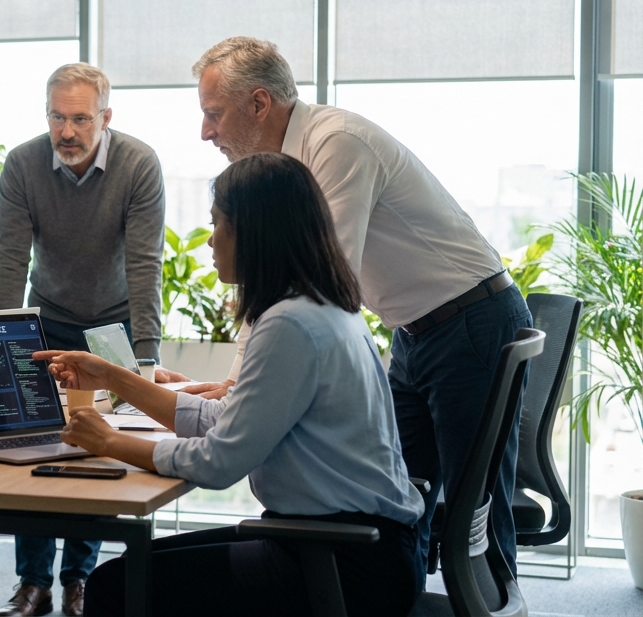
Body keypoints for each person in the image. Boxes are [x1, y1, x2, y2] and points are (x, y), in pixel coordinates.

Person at [190, 37, 532, 581]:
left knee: (475, 513)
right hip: (417, 332)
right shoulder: (290, 161)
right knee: (396, 502)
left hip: (469, 321)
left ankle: (491, 607)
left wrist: (243, 381)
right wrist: (239, 381)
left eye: (214, 114)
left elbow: (311, 279)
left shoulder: (336, 143)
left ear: (258, 103)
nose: (206, 132)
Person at [39, 152, 425, 617]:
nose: (210, 241)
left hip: (342, 563)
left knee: (116, 587)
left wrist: (111, 442)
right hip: (354, 545)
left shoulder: (291, 324)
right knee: (128, 570)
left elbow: (220, 461)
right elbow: (225, 420)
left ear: (253, 232)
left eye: (217, 223)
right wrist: (112, 375)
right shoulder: (324, 307)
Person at [0, 62, 165, 617]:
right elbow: (10, 260)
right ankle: (34, 582)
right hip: (46, 319)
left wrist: (146, 358)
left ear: (106, 118)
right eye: (57, 117)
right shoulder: (22, 163)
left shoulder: (138, 164)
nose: (66, 132)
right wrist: (3, 342)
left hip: (111, 323)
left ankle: (77, 580)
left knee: (94, 442)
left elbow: (145, 266)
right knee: (34, 440)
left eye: (81, 119)